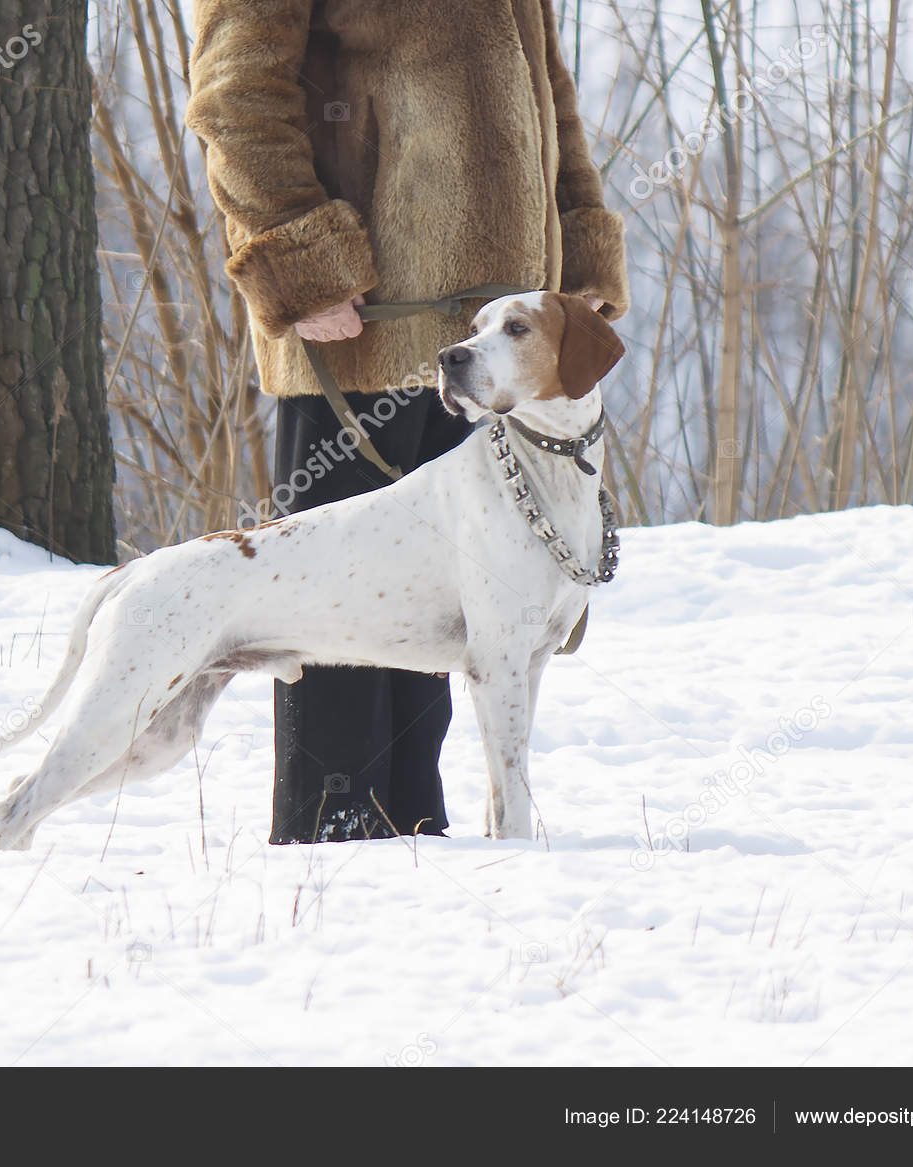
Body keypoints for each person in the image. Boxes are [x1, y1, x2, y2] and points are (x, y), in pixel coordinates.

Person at [185, 0, 630, 844]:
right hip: (361, 333)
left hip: (496, 362)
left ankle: (417, 859)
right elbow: (233, 87)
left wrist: (577, 264)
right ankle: (331, 851)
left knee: (441, 639)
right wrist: (298, 255)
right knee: (334, 628)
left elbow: (549, 97)